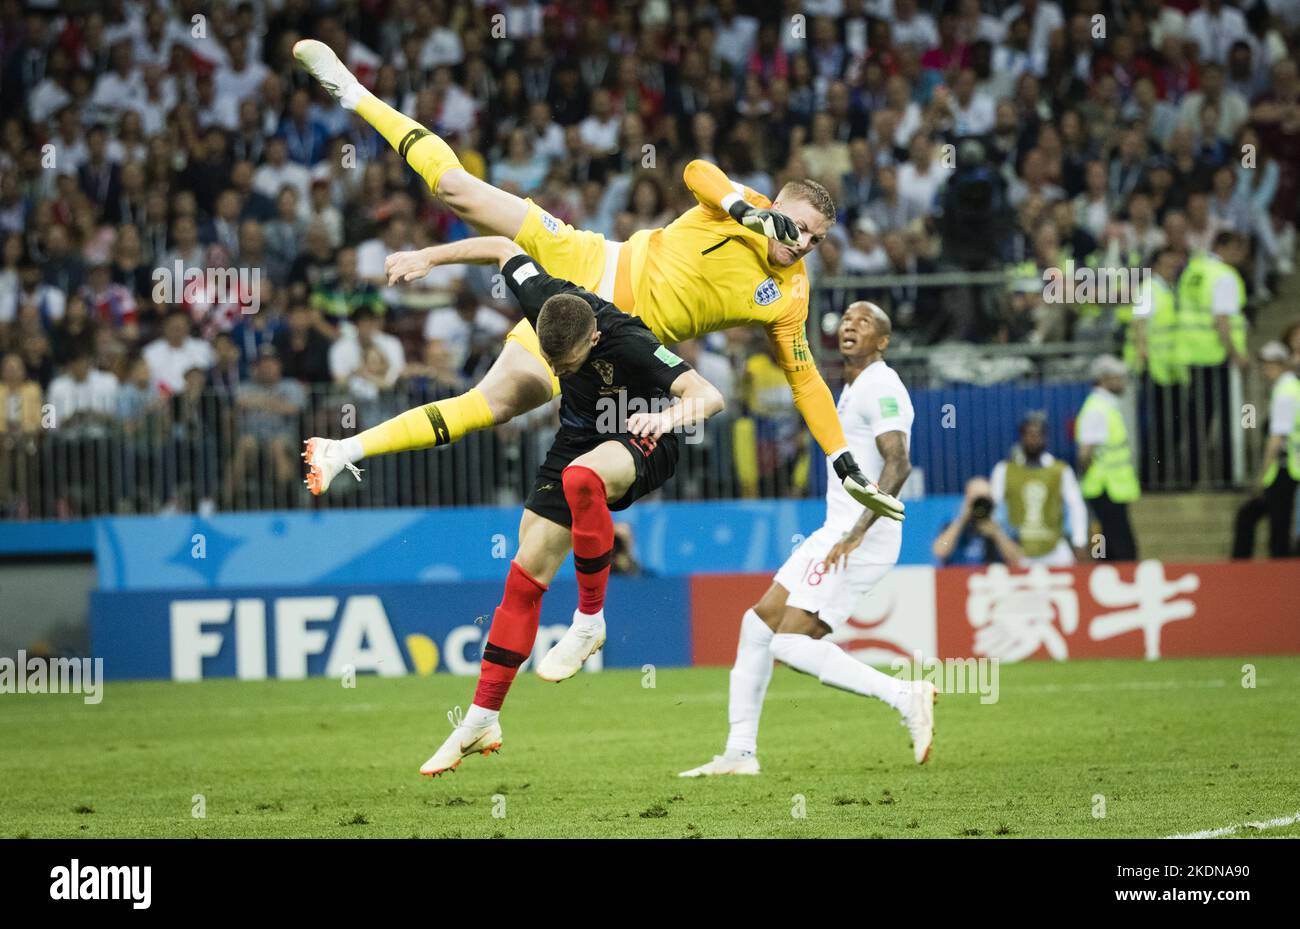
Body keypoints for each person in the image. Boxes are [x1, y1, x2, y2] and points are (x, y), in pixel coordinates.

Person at [291, 40, 901, 522]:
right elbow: (696, 171)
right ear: (777, 207)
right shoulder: (740, 203)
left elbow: (806, 382)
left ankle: (344, 450)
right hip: (590, 260)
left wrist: (843, 461)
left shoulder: (793, 296)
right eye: (797, 228)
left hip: (608, 338)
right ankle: (353, 93)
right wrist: (750, 213)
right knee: (457, 190)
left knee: (495, 404)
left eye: (816, 240)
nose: (803, 245)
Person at [409, 241, 726, 776]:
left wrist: (667, 420)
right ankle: (481, 718)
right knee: (524, 576)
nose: (557, 369)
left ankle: (589, 622)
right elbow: (502, 246)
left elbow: (708, 394)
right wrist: (430, 258)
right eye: (551, 359)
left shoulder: (630, 341)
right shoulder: (544, 299)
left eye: (568, 361)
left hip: (642, 436)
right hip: (578, 439)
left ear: (595, 339)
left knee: (584, 480)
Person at [679, 302, 935, 777]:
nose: (850, 326)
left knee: (789, 645)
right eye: (848, 319)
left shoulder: (882, 385)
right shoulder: (852, 385)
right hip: (834, 531)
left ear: (883, 340)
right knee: (757, 627)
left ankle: (904, 694)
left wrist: (858, 532)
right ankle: (740, 753)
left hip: (861, 535)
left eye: (866, 322)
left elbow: (898, 463)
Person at [1177, 230, 1249, 485]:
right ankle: (1228, 477)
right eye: (1240, 250)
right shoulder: (1224, 276)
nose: (1242, 257)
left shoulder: (1193, 270)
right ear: (1227, 247)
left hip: (1192, 355)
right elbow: (1222, 320)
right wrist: (1237, 355)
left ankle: (1191, 477)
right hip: (1219, 357)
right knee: (1232, 418)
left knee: (1198, 421)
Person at [990, 412, 1089, 566]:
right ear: (1022, 437)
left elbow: (1076, 505)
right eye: (1029, 434)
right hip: (1020, 549)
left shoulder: (1060, 470)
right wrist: (1002, 540)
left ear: (1045, 437)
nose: (1034, 439)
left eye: (1038, 434)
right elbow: (993, 506)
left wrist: (1079, 540)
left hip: (1055, 548)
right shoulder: (1004, 470)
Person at [1231, 342, 1299, 558]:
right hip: (1286, 468)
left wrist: (1260, 475)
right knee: (1270, 523)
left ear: (1281, 366)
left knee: (1275, 527)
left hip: (1285, 468)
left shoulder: (1285, 392)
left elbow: (1277, 437)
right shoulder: (1286, 388)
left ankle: (1263, 574)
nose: (1264, 370)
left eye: (1268, 365)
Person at [1075, 355, 1140, 562]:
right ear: (1103, 379)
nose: (1122, 382)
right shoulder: (1097, 409)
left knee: (1110, 542)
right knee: (1120, 546)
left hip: (1111, 487)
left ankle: (1105, 569)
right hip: (1104, 487)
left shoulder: (1106, 406)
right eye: (1118, 377)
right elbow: (1085, 453)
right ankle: (1119, 578)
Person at [932, 476, 1025, 567]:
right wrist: (961, 521)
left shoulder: (1003, 528)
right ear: (967, 499)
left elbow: (1017, 559)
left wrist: (997, 534)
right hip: (958, 578)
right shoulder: (952, 525)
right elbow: (940, 551)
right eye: (977, 498)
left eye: (985, 498)